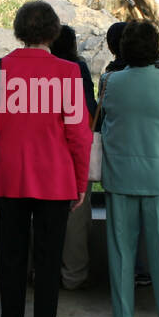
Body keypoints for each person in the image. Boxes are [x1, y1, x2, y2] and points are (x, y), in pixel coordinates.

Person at [0, 0, 91, 317]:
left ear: (20, 30)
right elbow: (79, 135)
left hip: (11, 177)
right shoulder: (68, 73)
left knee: (11, 257)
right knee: (49, 259)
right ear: (53, 31)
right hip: (55, 179)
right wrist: (82, 182)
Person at [99, 20, 159, 317]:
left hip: (120, 174)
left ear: (123, 49)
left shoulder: (110, 81)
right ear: (155, 47)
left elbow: (105, 119)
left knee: (121, 248)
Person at [50, 25, 98, 291]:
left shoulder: (44, 67)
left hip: (46, 152)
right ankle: (73, 276)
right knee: (76, 218)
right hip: (73, 151)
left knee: (42, 217)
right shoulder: (77, 68)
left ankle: (42, 271)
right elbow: (87, 112)